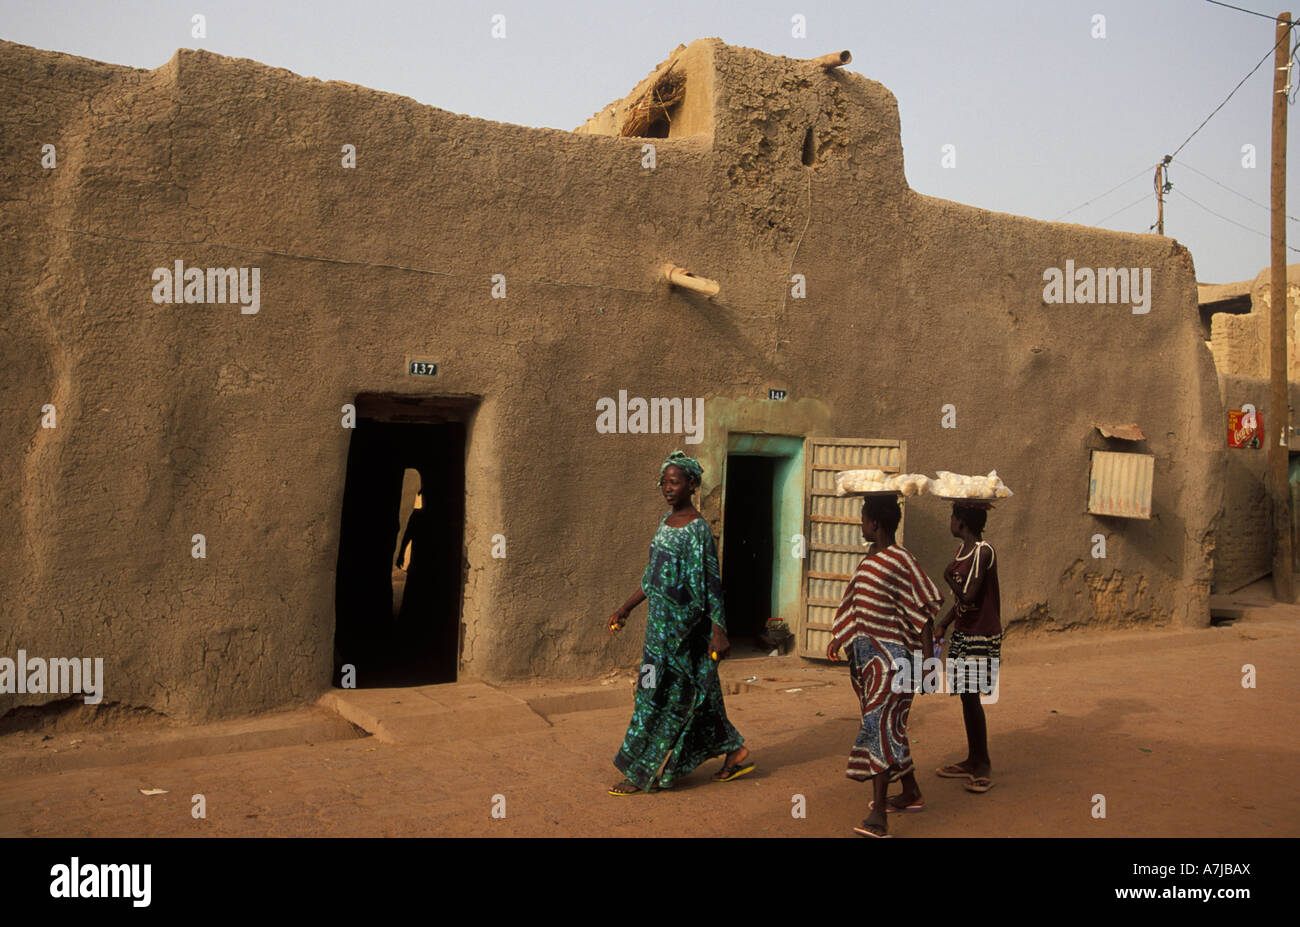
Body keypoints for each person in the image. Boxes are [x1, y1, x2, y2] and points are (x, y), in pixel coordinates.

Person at [606, 451, 753, 795]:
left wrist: (719, 630)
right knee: (684, 696)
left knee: (667, 698)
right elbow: (652, 578)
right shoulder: (664, 522)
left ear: (691, 485)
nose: (668, 488)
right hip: (657, 635)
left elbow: (711, 581)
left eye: (674, 482)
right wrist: (625, 608)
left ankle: (640, 772)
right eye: (664, 482)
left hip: (686, 634)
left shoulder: (698, 529)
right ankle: (735, 751)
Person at [827, 494, 942, 838]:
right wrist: (840, 637)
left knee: (878, 728)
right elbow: (856, 602)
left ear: (875, 523)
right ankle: (910, 791)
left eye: (863, 518)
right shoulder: (870, 558)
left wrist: (929, 663)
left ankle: (878, 815)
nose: (861, 524)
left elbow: (922, 609)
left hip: (892, 664)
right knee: (890, 727)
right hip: (867, 661)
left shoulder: (901, 559)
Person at [934, 501, 1001, 794]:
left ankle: (983, 763)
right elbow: (961, 602)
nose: (949, 521)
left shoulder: (983, 552)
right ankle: (973, 758)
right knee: (965, 697)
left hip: (981, 633)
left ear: (961, 522)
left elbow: (970, 596)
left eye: (952, 516)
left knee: (972, 697)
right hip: (963, 631)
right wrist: (945, 623)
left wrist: (947, 576)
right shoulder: (962, 552)